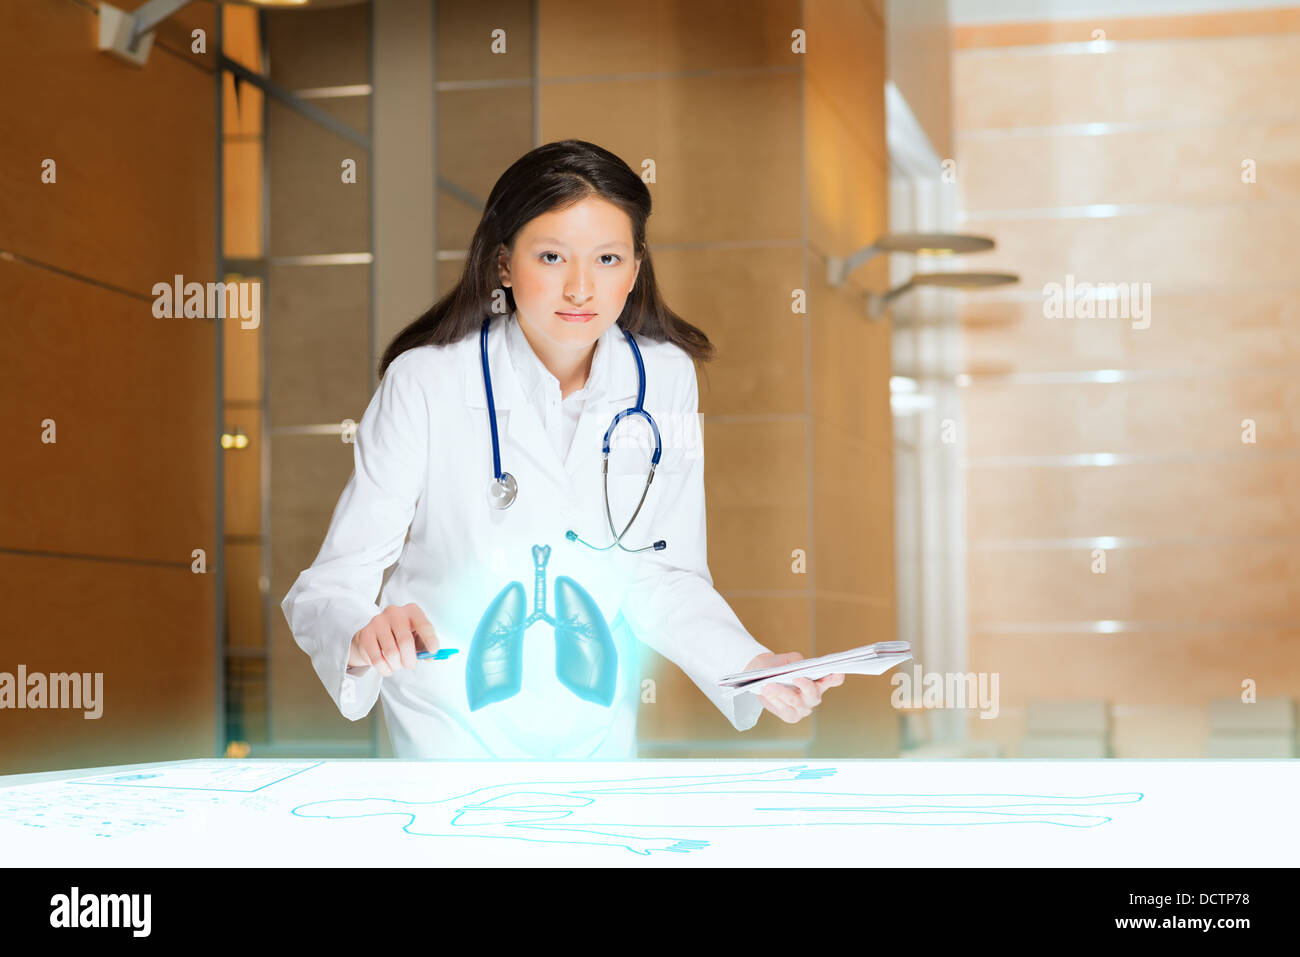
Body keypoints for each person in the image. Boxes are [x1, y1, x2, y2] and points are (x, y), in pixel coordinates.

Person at [281, 139, 844, 759]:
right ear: (503, 265)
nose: (581, 288)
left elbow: (661, 572)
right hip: (451, 722)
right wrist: (364, 634)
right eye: (551, 256)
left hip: (593, 724)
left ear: (635, 269)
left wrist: (753, 666)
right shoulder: (426, 380)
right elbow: (329, 588)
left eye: (607, 258)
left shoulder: (664, 379)